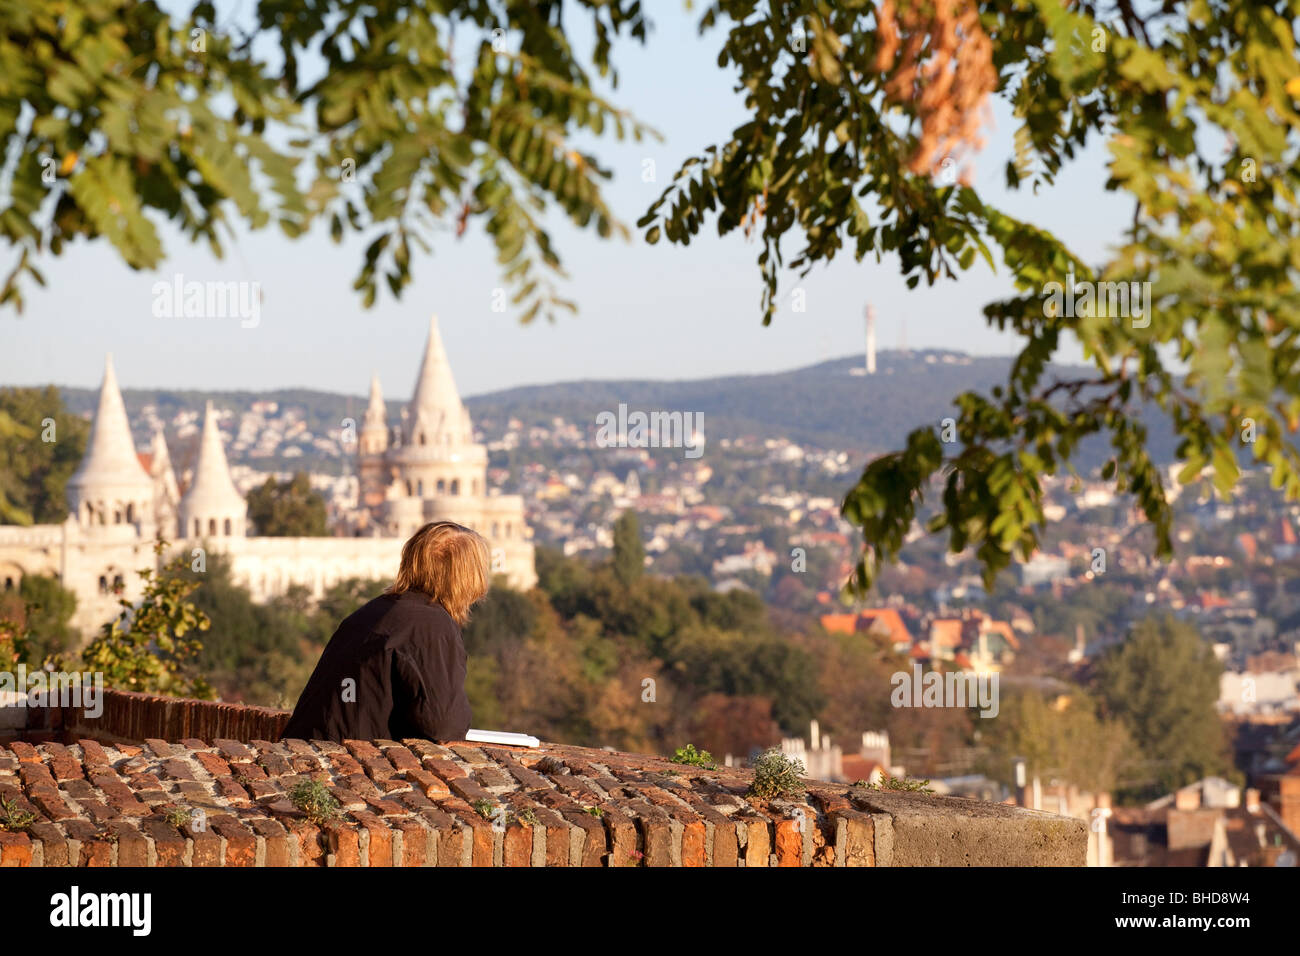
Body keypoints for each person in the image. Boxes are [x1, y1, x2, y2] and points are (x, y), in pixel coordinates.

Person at [282, 520, 489, 743]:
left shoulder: (373, 611)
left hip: (307, 751)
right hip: (346, 762)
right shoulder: (431, 625)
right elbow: (443, 725)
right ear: (467, 578)